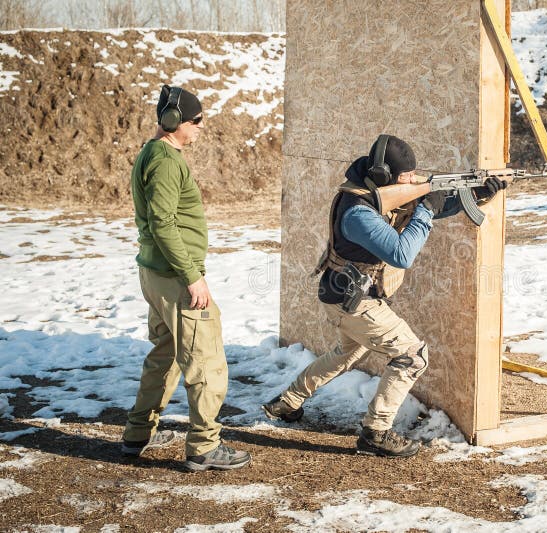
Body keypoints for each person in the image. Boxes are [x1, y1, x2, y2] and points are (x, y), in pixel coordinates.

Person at [262, 134, 507, 457]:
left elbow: (424, 209)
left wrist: (474, 194)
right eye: (406, 177)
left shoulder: (374, 194)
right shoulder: (357, 212)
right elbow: (401, 254)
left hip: (344, 296)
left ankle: (286, 403)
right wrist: (426, 208)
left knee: (344, 355)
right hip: (352, 301)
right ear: (383, 176)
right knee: (412, 355)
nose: (412, 181)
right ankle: (376, 432)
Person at [122, 84, 251, 472]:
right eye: (195, 122)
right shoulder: (164, 160)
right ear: (175, 121)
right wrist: (192, 277)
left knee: (165, 357)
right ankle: (203, 448)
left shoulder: (154, 152)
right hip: (174, 277)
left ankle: (137, 433)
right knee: (206, 359)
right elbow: (163, 223)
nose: (199, 129)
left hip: (157, 273)